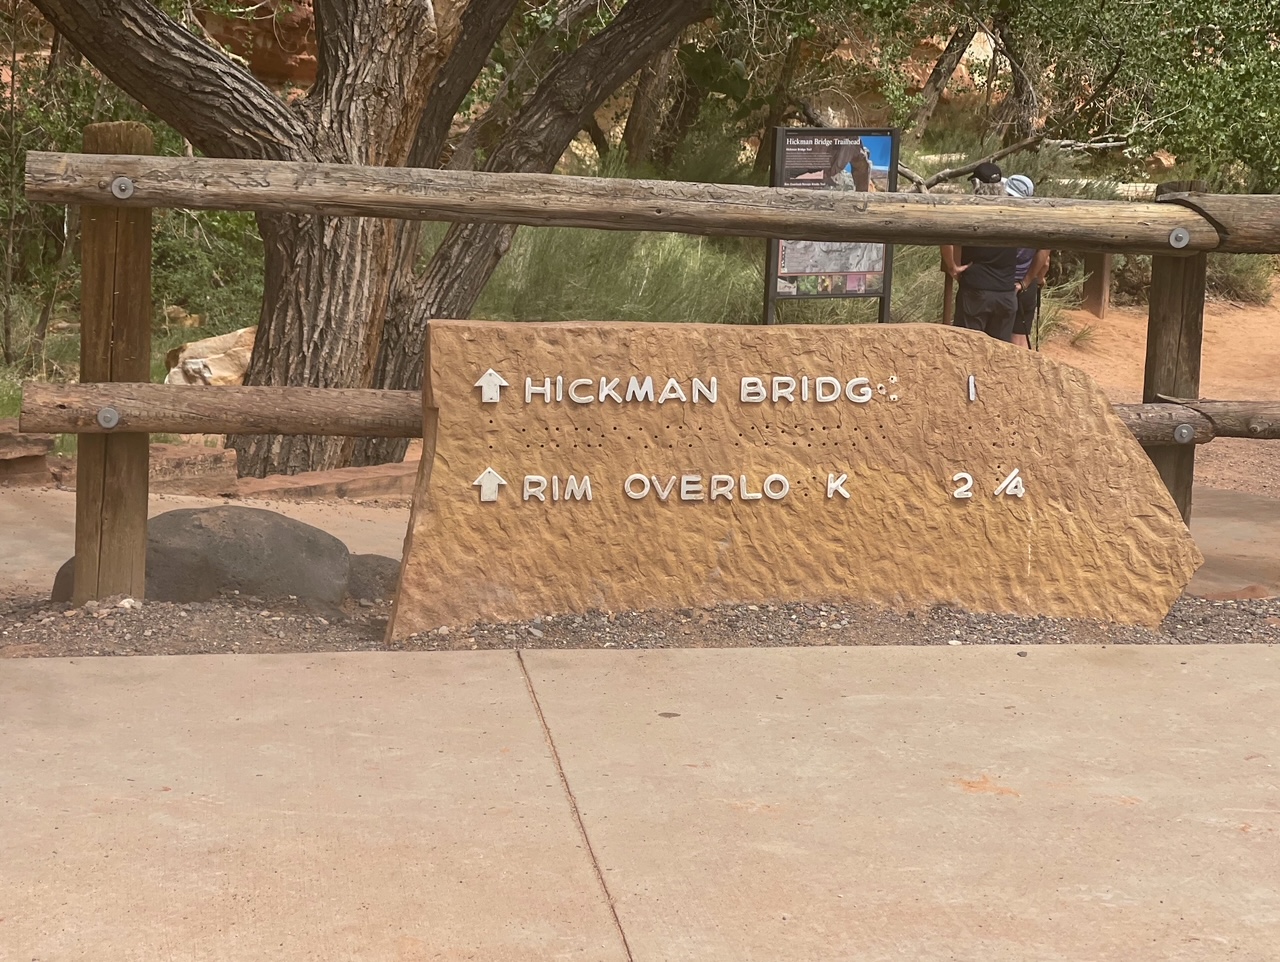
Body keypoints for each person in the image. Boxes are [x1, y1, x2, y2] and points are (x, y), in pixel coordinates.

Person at [940, 162, 1018, 342]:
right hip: (1006, 293)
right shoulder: (1013, 212)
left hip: (976, 291)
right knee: (1000, 352)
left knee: (968, 348)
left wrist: (952, 267)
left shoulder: (970, 212)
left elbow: (945, 238)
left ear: (976, 184)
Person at [1005, 174, 1051, 348]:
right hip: (1026, 284)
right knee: (1020, 338)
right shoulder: (1038, 221)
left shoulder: (1003, 219)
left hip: (1003, 283)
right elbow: (1045, 260)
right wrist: (1029, 281)